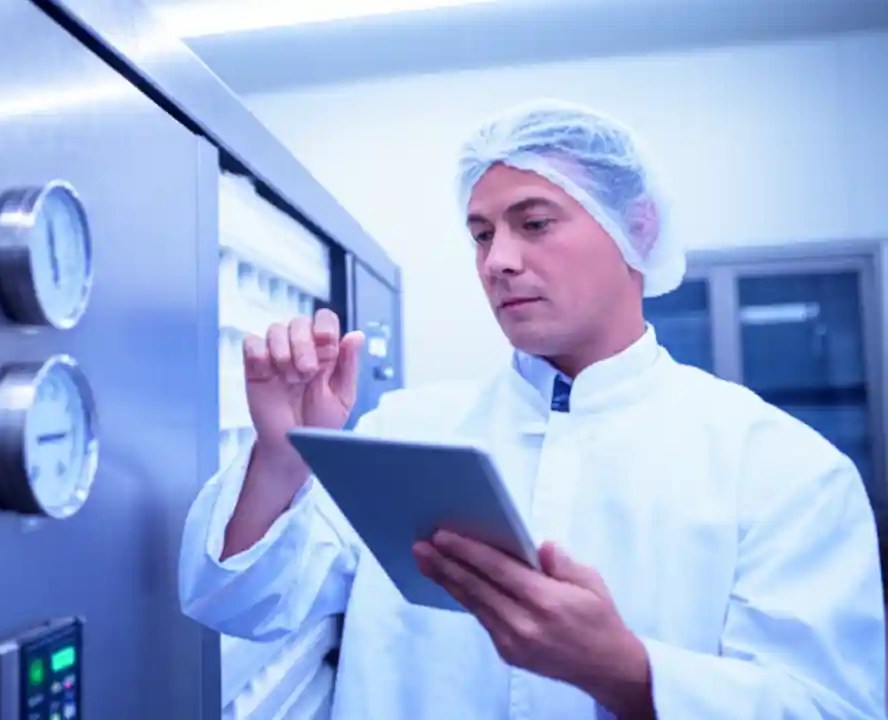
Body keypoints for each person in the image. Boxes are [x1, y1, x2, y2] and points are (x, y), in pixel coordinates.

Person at [178, 99, 887, 718]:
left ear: (636, 228)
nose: (498, 261)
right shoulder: (406, 434)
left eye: (535, 223)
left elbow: (828, 707)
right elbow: (241, 606)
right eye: (482, 234)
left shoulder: (778, 468)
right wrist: (280, 454)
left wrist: (626, 672)